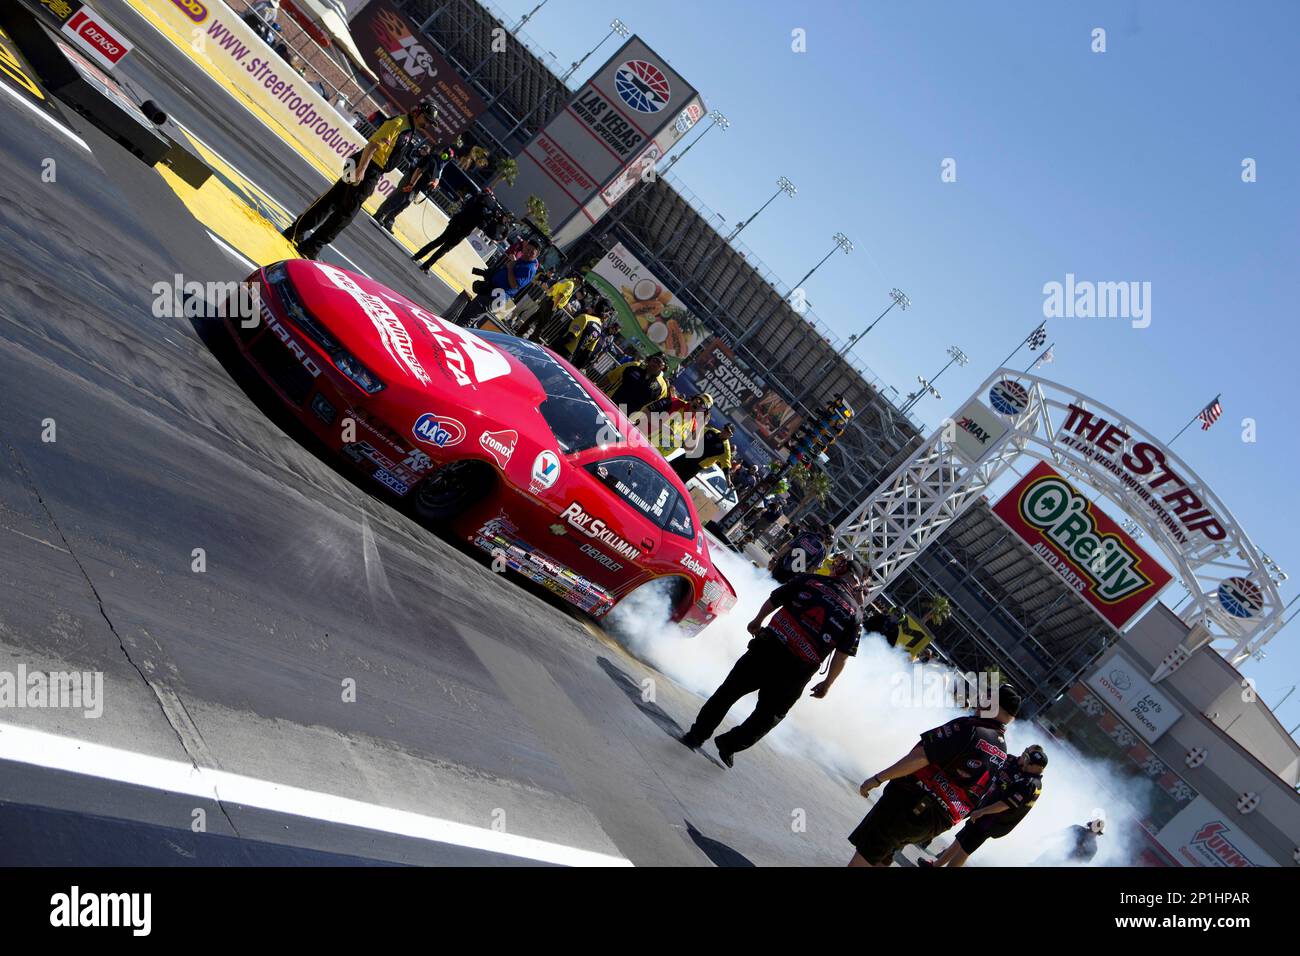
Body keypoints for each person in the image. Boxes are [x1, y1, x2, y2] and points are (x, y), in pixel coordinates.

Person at [680, 552, 866, 766]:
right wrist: (827, 683)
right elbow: (842, 656)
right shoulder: (855, 614)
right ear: (856, 583)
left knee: (728, 692)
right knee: (768, 718)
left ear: (839, 570)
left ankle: (696, 736)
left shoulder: (809, 580)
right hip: (796, 672)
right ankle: (730, 743)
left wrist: (758, 620)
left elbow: (774, 599)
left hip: (767, 649)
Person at [847, 683, 1021, 867]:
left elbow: (922, 756)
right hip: (938, 821)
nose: (980, 700)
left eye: (987, 697)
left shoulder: (969, 727)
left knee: (867, 855)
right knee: (882, 856)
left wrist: (877, 778)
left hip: (912, 803)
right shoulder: (1002, 751)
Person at [284, 102, 436, 260]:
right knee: (346, 213)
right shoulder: (398, 124)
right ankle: (311, 246)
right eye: (427, 119)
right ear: (417, 112)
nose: (428, 124)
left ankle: (295, 232)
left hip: (365, 165)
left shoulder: (409, 129)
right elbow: (373, 145)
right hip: (367, 168)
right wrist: (361, 170)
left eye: (430, 122)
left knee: (332, 200)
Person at [923, 745, 1047, 867]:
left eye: (1028, 760)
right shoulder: (1011, 761)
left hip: (990, 819)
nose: (1025, 760)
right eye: (1026, 754)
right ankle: (936, 864)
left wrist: (982, 811)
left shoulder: (1029, 783)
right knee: (961, 838)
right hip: (983, 803)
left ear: (1037, 767)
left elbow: (1005, 804)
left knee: (965, 849)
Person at [374, 138, 458, 230]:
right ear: (444, 155)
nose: (446, 160)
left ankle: (389, 219)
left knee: (405, 203)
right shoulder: (431, 159)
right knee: (397, 198)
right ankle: (380, 214)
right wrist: (411, 184)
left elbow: (437, 177)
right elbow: (419, 171)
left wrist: (434, 184)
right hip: (411, 180)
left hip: (417, 187)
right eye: (447, 157)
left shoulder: (439, 166)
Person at [411, 188, 500, 271]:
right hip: (462, 230)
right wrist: (491, 216)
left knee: (438, 241)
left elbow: (468, 208)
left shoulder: (474, 199)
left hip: (456, 224)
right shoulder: (484, 210)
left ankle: (417, 257)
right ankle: (425, 266)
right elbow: (482, 225)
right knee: (444, 249)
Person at [460, 239, 541, 327]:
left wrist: (510, 268)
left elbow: (514, 285)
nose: (528, 253)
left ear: (537, 255)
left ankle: (456, 334)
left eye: (532, 252)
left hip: (497, 295)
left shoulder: (529, 268)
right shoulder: (524, 260)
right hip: (492, 290)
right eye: (527, 249)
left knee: (468, 317)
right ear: (524, 247)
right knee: (470, 314)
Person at [603, 354, 669, 418]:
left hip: (627, 418)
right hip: (609, 403)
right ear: (650, 359)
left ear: (663, 367)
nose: (655, 363)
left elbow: (655, 407)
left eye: (659, 363)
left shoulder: (662, 387)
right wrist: (598, 386)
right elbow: (611, 377)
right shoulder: (633, 366)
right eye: (654, 360)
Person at [516, 273, 577, 341]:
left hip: (547, 300)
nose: (579, 285)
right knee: (542, 324)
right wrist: (554, 307)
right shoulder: (571, 284)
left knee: (535, 317)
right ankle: (532, 340)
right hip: (552, 304)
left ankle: (520, 332)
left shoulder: (564, 280)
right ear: (576, 279)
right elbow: (560, 295)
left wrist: (548, 295)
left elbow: (552, 288)